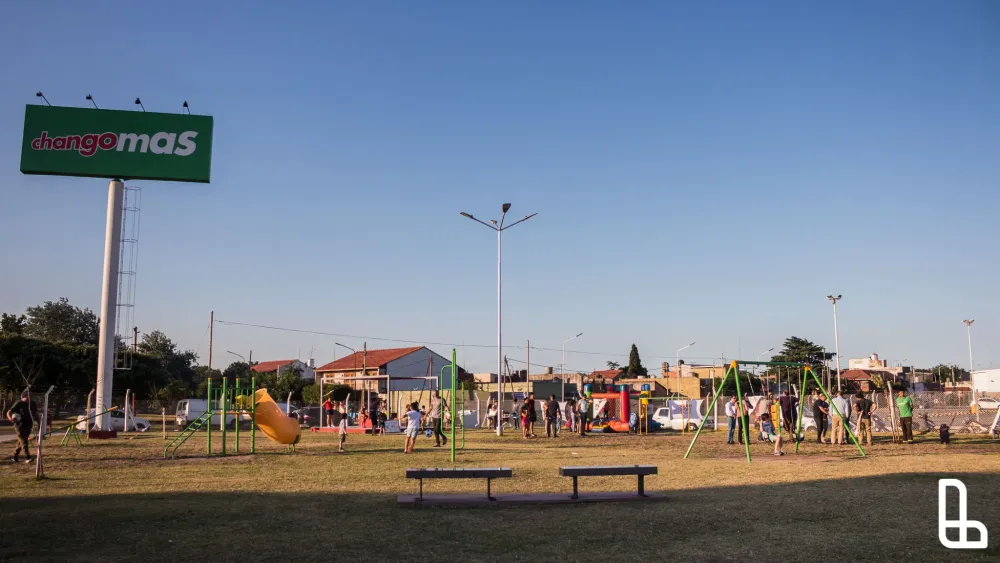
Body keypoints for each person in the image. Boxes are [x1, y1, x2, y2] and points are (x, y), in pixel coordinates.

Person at [6, 391, 36, 464]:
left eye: (31, 396)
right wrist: (10, 419)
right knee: (24, 441)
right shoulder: (19, 403)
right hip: (19, 425)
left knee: (21, 441)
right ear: (24, 396)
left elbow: (36, 414)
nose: (30, 397)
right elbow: (9, 412)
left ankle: (14, 456)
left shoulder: (33, 404)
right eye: (28, 396)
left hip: (29, 425)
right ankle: (27, 457)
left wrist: (38, 422)